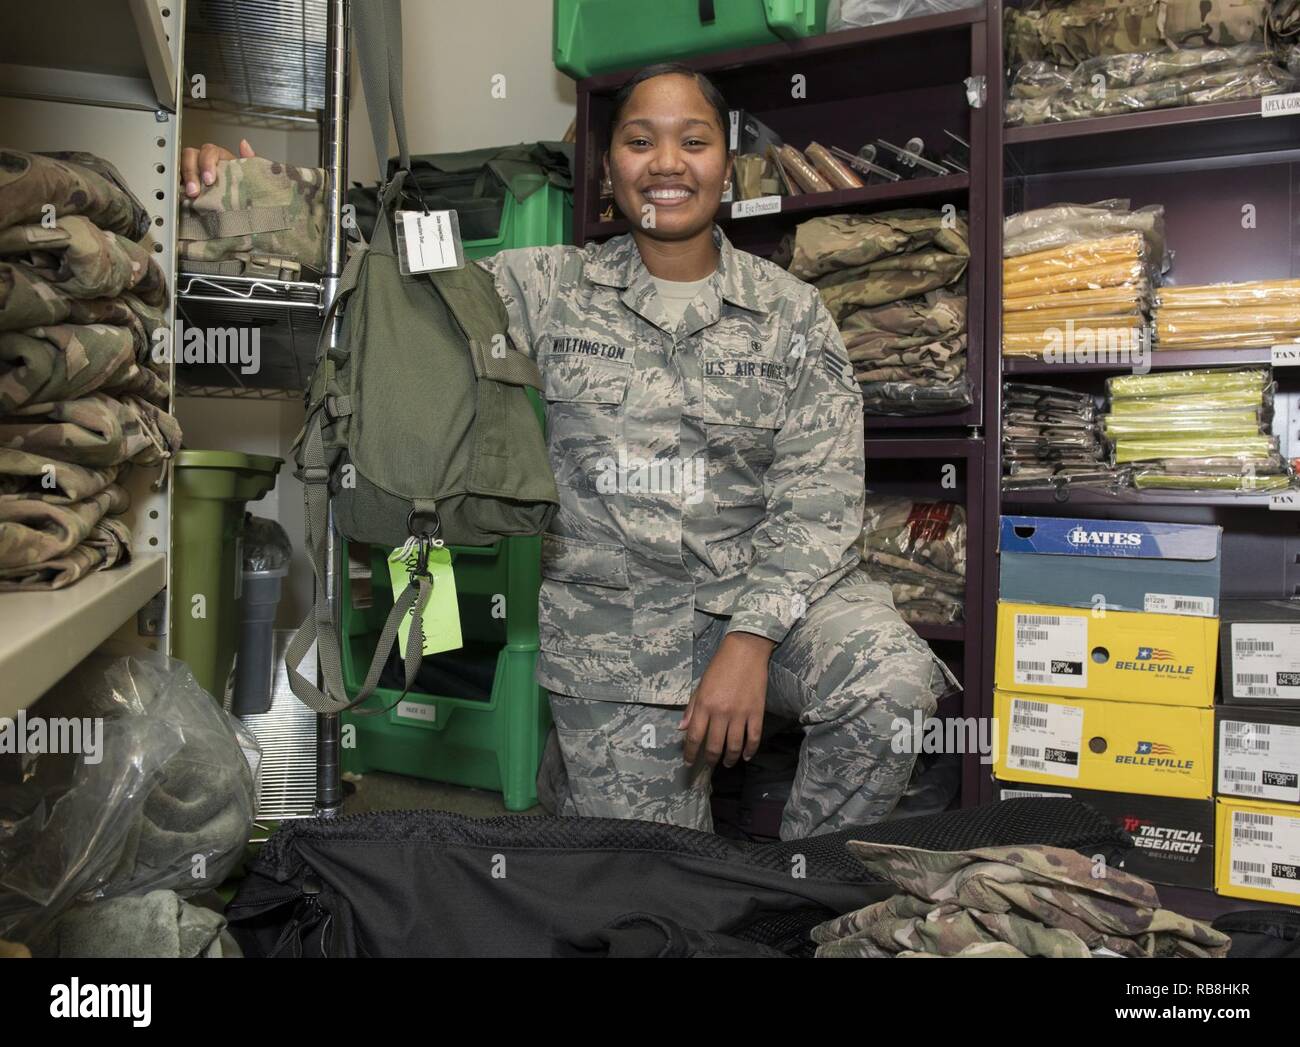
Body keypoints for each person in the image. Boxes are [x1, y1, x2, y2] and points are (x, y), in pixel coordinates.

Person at [183, 63, 951, 840]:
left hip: (774, 606)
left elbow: (819, 507)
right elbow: (410, 279)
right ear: (609, 167)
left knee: (890, 682)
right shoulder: (549, 287)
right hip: (617, 629)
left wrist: (750, 641)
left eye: (694, 141)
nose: (667, 164)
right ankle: (577, 780)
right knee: (649, 886)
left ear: (727, 160)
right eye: (639, 141)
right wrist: (248, 190)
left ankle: (808, 893)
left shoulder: (792, 313)